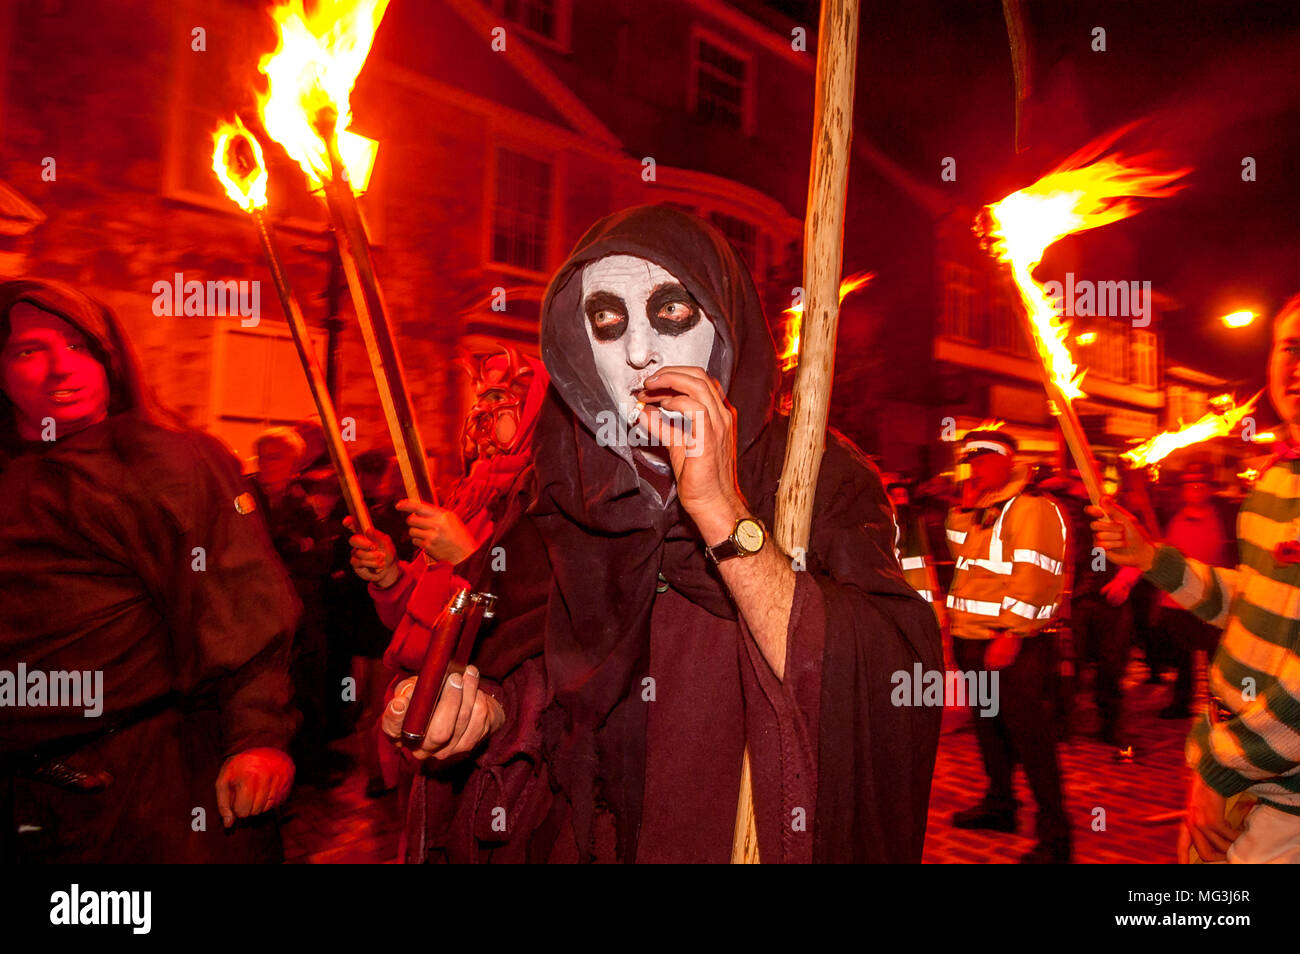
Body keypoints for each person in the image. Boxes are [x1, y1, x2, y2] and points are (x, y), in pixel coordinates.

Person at [371, 206, 943, 863]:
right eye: (607, 321)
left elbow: (891, 671)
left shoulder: (812, 474)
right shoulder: (559, 481)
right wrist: (479, 712)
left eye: (671, 311)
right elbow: (530, 670)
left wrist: (724, 514)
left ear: (725, 329)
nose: (639, 351)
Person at [0, 278, 298, 862]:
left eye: (80, 345)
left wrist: (258, 736)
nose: (63, 368)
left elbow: (238, 598)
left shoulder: (168, 460)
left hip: (143, 782)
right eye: (30, 350)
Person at [1091, 293, 1300, 863]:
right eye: (1289, 347)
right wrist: (1151, 555)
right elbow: (1249, 601)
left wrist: (1219, 763)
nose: (1297, 366)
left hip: (1281, 799)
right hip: (1234, 766)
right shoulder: (1277, 478)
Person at [349, 344, 551, 861]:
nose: (483, 417)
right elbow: (416, 615)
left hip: (473, 725)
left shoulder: (542, 502)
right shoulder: (466, 494)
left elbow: (531, 621)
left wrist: (471, 554)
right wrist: (392, 576)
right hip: (416, 713)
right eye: (480, 403)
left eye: (501, 402)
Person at [945, 428, 1072, 863]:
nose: (974, 468)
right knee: (990, 731)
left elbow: (1036, 575)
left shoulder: (1030, 506)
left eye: (982, 460)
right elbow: (963, 556)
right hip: (975, 640)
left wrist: (1014, 634)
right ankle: (1001, 806)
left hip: (1010, 646)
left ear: (1006, 460)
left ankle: (1056, 837)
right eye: (971, 461)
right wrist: (964, 508)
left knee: (1031, 740)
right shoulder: (985, 506)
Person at [1151, 463, 1231, 719]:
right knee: (1182, 659)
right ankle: (1181, 702)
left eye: (1200, 485)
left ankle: (1220, 704)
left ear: (1209, 490)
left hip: (1213, 601)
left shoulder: (1224, 521)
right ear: (1183, 491)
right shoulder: (1172, 519)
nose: (1195, 490)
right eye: (1190, 486)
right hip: (1179, 601)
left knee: (1216, 661)